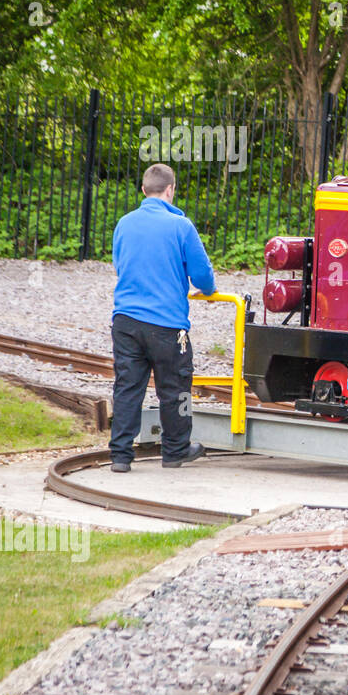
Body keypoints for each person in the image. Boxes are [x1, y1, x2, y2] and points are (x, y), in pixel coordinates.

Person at [108, 163, 216, 471]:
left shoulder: (124, 223)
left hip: (126, 320)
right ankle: (175, 450)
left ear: (143, 190)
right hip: (168, 325)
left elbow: (120, 265)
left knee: (128, 386)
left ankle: (120, 456)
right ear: (170, 190)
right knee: (176, 388)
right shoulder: (181, 226)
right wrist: (204, 288)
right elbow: (203, 278)